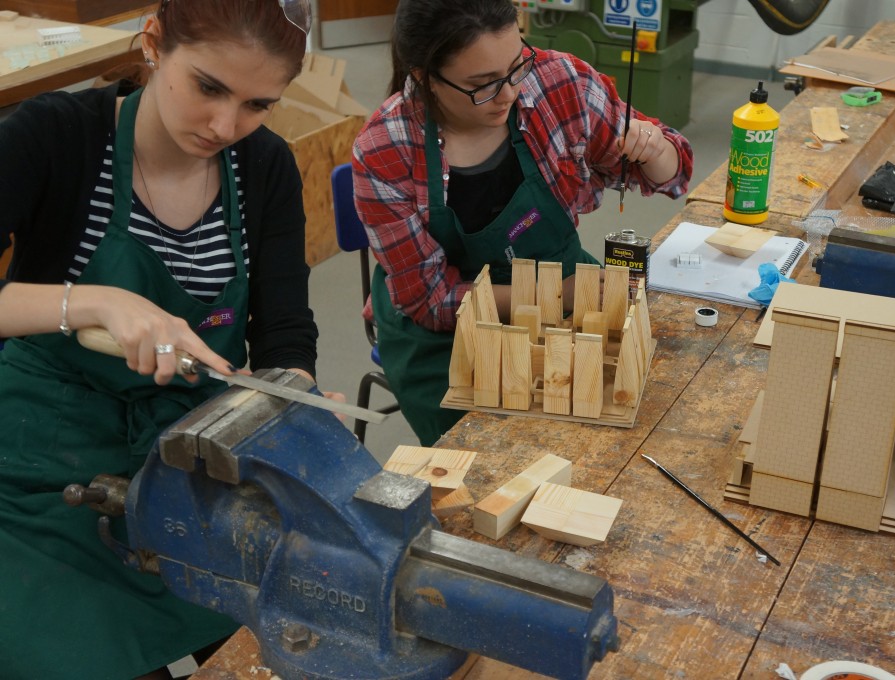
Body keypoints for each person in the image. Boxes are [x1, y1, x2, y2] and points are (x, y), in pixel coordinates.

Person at [0, 1, 326, 678]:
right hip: (39, 458)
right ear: (153, 42)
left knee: (287, 641)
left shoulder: (262, 167)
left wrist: (289, 396)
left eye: (257, 104)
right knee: (66, 651)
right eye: (209, 87)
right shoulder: (53, 136)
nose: (224, 126)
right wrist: (90, 301)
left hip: (187, 453)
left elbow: (285, 333)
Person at [352, 0, 694, 446]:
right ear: (423, 76)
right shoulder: (385, 149)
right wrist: (563, 294)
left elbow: (675, 172)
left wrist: (655, 151)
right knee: (491, 460)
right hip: (447, 336)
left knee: (628, 413)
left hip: (563, 279)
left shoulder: (558, 82)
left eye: (516, 68)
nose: (510, 93)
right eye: (483, 85)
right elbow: (431, 300)